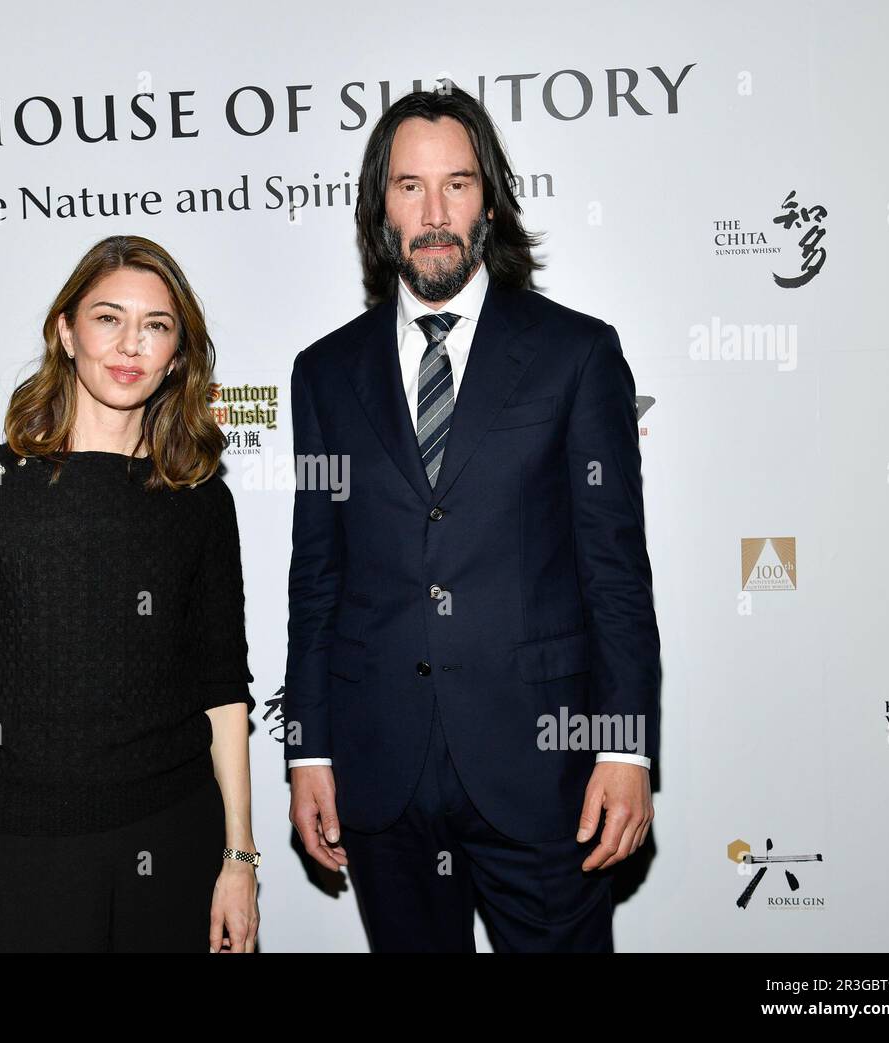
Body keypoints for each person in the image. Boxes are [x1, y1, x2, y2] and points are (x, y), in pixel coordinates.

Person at [283, 86, 661, 952]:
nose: (435, 212)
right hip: (383, 771)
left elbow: (615, 572)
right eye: (409, 187)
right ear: (380, 207)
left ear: (489, 197)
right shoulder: (324, 373)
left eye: (456, 184)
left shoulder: (577, 352)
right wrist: (308, 751)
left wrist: (627, 749)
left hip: (544, 766)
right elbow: (317, 575)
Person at [0, 234, 260, 953]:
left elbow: (222, 688)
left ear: (177, 353)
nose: (131, 344)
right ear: (66, 332)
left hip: (176, 836)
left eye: (156, 326)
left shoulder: (196, 500)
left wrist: (239, 860)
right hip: (24, 851)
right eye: (108, 318)